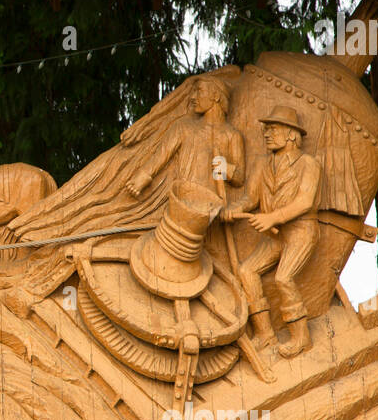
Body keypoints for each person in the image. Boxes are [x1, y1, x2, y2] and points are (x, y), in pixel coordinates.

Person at [224, 106, 321, 358]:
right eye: (266, 129)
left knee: (283, 278)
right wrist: (233, 208)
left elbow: (305, 202)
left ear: (291, 134)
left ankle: (302, 337)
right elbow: (250, 198)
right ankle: (265, 333)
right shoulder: (262, 164)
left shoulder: (307, 164)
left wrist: (272, 217)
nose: (267, 134)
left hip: (300, 231)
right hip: (275, 234)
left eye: (273, 129)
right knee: (246, 271)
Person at [126, 74, 244, 201]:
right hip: (182, 203)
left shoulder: (232, 135)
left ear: (215, 96)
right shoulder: (183, 127)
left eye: (199, 91)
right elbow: (160, 155)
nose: (193, 97)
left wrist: (226, 168)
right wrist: (144, 175)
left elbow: (240, 178)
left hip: (212, 209)